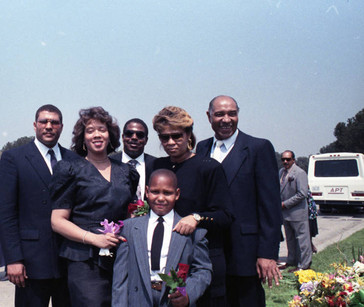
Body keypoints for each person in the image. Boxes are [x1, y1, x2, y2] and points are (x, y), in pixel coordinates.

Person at [195, 95, 283, 307]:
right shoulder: (202, 148)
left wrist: (267, 254)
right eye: (220, 114)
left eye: (232, 113)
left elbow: (270, 207)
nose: (226, 119)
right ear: (208, 117)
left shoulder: (257, 148)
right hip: (211, 250)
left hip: (245, 252)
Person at [50, 106, 139, 307]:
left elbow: (130, 210)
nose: (97, 134)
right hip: (84, 261)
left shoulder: (126, 171)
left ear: (110, 135)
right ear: (83, 138)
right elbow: (57, 221)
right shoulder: (70, 169)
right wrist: (94, 239)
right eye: (90, 131)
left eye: (102, 129)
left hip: (121, 256)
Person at [0, 104, 78, 307]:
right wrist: (14, 259)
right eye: (44, 121)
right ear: (35, 125)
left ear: (62, 126)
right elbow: (6, 213)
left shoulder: (74, 160)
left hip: (68, 259)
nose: (49, 126)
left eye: (54, 122)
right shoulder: (14, 158)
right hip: (31, 261)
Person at [152, 106, 233, 306]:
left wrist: (196, 218)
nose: (170, 142)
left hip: (202, 260)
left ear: (188, 134)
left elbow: (225, 215)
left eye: (177, 136)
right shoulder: (157, 166)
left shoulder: (209, 167)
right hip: (167, 259)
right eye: (164, 137)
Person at [113, 169, 212, 307]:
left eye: (167, 193)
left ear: (177, 194)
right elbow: (120, 278)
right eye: (155, 192)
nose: (160, 198)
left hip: (173, 300)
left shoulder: (192, 232)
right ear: (147, 191)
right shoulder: (129, 228)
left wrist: (187, 294)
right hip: (138, 299)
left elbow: (202, 270)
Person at [278, 150, 312, 272]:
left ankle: (304, 265)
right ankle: (291, 260)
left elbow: (302, 194)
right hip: (285, 214)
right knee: (290, 239)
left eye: (288, 159)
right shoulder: (281, 172)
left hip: (297, 212)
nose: (285, 162)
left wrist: (285, 204)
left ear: (293, 160)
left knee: (302, 239)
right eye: (283, 159)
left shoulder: (300, 173)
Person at [111, 118, 157, 200]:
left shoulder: (157, 165)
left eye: (140, 135)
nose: (134, 138)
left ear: (146, 140)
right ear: (123, 137)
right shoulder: (110, 162)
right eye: (129, 134)